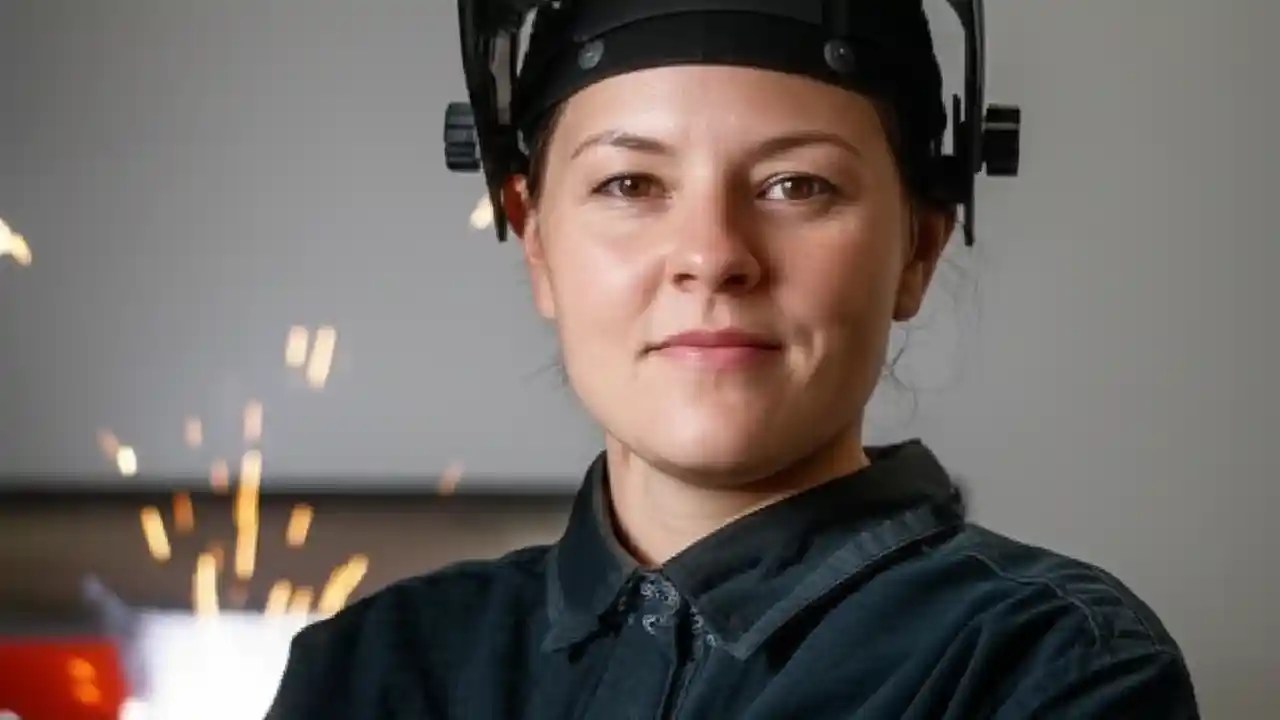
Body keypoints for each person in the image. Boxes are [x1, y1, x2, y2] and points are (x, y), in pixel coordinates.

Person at [267, 1, 1199, 717]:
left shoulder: (1047, 665)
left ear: (917, 250)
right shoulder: (376, 668)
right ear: (535, 241)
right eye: (630, 183)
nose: (712, 254)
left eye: (797, 185)